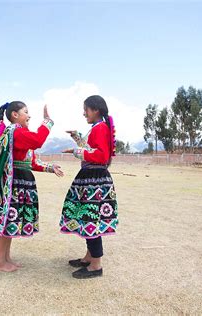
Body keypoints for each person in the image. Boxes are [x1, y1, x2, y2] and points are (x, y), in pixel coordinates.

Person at [0, 101, 63, 272]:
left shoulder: (20, 134)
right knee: (6, 222)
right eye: (26, 112)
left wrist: (50, 167)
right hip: (13, 185)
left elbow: (31, 162)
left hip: (19, 183)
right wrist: (48, 122)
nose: (29, 116)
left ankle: (6, 258)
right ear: (15, 115)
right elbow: (38, 140)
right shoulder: (15, 132)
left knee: (10, 221)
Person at [60, 95, 118, 279]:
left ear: (96, 110)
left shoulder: (100, 128)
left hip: (94, 180)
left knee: (91, 217)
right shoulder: (98, 128)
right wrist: (77, 138)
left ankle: (96, 265)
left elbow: (100, 155)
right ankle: (89, 257)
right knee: (87, 217)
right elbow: (91, 149)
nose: (84, 113)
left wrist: (76, 151)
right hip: (91, 178)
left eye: (86, 109)